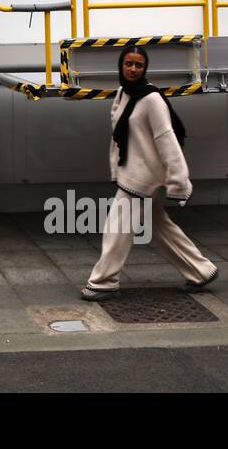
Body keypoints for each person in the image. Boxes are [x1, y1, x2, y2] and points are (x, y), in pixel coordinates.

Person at [82, 45, 219, 300]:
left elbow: (167, 138)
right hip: (132, 171)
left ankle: (103, 281)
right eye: (129, 64)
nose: (133, 69)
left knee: (118, 228)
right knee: (159, 226)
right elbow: (119, 136)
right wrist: (117, 169)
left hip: (143, 177)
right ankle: (201, 271)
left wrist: (179, 182)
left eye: (139, 65)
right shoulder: (124, 93)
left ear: (145, 68)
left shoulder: (151, 98)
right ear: (121, 66)